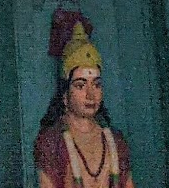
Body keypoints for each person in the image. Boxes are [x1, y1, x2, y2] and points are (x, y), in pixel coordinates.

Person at [33, 12, 133, 188]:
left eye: (96, 84)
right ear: (65, 95)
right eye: (80, 85)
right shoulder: (52, 143)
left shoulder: (115, 142)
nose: (90, 94)